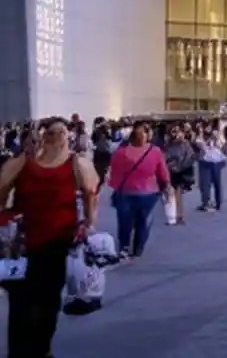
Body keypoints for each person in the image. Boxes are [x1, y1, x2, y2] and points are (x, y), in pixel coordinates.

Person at [0, 117, 99, 358]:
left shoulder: (74, 163)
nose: (59, 138)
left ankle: (36, 349)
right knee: (30, 301)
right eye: (54, 134)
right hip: (25, 246)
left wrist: (88, 222)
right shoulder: (23, 163)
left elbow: (90, 193)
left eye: (62, 133)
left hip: (44, 246)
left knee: (38, 302)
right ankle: (33, 350)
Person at [108, 124, 170, 259]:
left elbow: (114, 173)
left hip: (128, 192)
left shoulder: (121, 152)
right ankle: (138, 247)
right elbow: (162, 172)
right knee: (143, 222)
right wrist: (166, 186)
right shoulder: (155, 151)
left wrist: (116, 186)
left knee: (125, 222)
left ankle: (125, 247)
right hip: (147, 193)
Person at [163, 126, 197, 225]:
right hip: (172, 170)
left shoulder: (185, 144)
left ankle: (179, 215)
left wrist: (180, 167)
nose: (176, 134)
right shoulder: (168, 145)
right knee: (171, 193)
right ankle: (173, 215)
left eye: (177, 132)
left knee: (178, 193)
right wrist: (170, 165)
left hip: (181, 171)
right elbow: (165, 157)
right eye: (173, 132)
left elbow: (190, 157)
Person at [195, 127, 227, 212]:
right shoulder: (218, 135)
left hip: (205, 162)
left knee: (205, 183)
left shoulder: (202, 135)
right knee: (217, 183)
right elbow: (224, 145)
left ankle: (206, 202)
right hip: (216, 162)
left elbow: (198, 144)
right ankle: (217, 202)